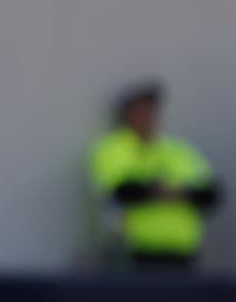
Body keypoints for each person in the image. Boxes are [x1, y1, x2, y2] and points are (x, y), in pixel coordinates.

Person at [89, 80, 221, 269]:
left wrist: (172, 192)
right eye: (140, 111)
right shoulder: (112, 147)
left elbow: (211, 193)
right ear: (128, 114)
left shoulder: (177, 149)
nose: (147, 117)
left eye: (151, 111)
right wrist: (166, 191)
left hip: (182, 252)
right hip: (133, 253)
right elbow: (120, 191)